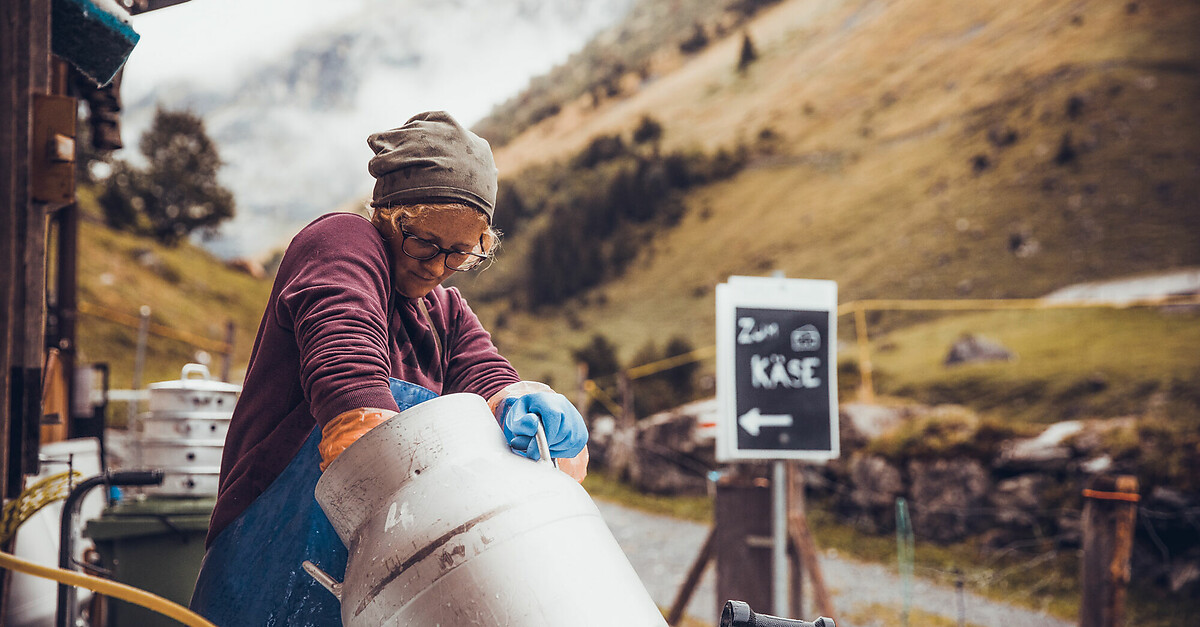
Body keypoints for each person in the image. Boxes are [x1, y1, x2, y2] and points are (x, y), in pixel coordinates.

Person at [189, 111, 589, 625]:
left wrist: (524, 406)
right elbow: (345, 349)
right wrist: (367, 435)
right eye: (424, 241)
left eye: (460, 254)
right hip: (266, 553)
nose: (437, 266)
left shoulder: (445, 314)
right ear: (388, 212)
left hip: (370, 574)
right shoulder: (341, 242)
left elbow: (487, 378)